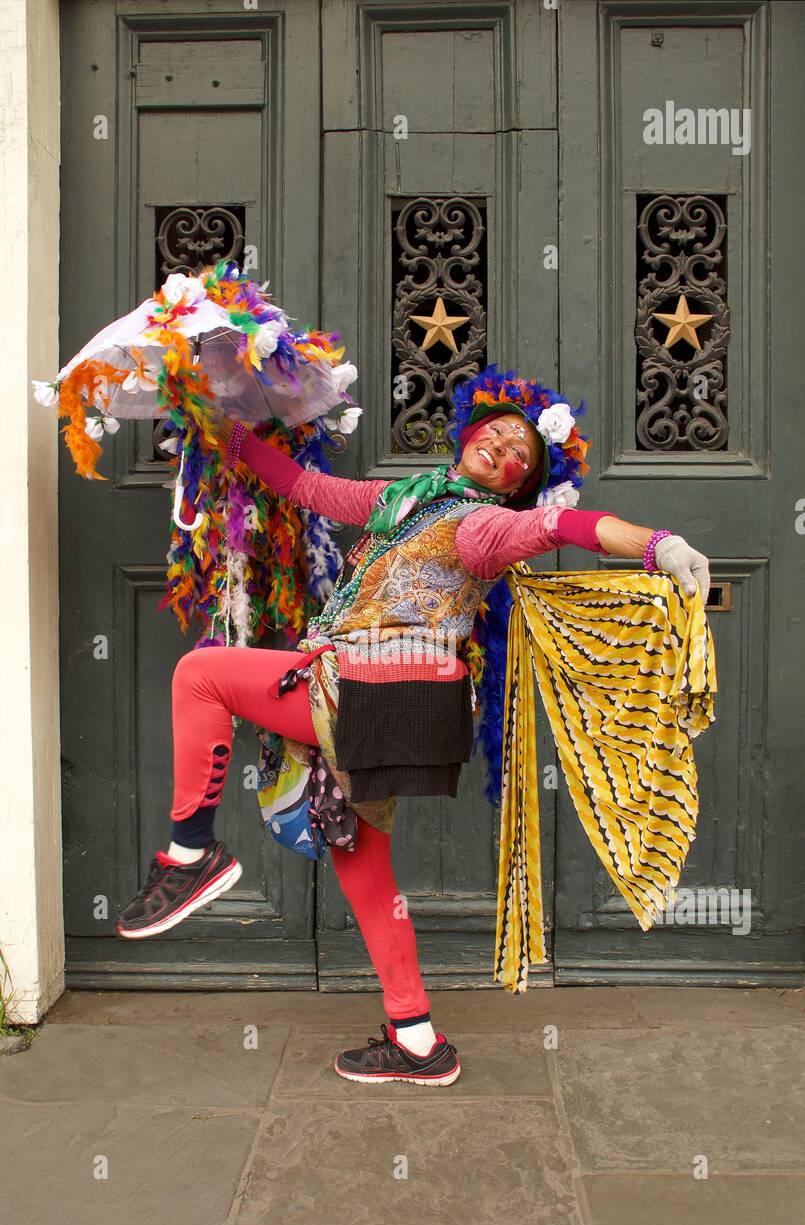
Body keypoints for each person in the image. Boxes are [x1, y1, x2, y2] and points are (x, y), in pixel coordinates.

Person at [114, 370, 710, 1086]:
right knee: (365, 872)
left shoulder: (481, 524)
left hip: (371, 694)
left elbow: (558, 525)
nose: (501, 443)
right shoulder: (400, 503)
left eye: (518, 450)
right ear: (465, 439)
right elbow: (304, 489)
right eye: (493, 431)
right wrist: (228, 433)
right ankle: (417, 1038)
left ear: (518, 481)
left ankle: (191, 854)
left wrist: (658, 545)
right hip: (387, 717)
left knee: (199, 676)